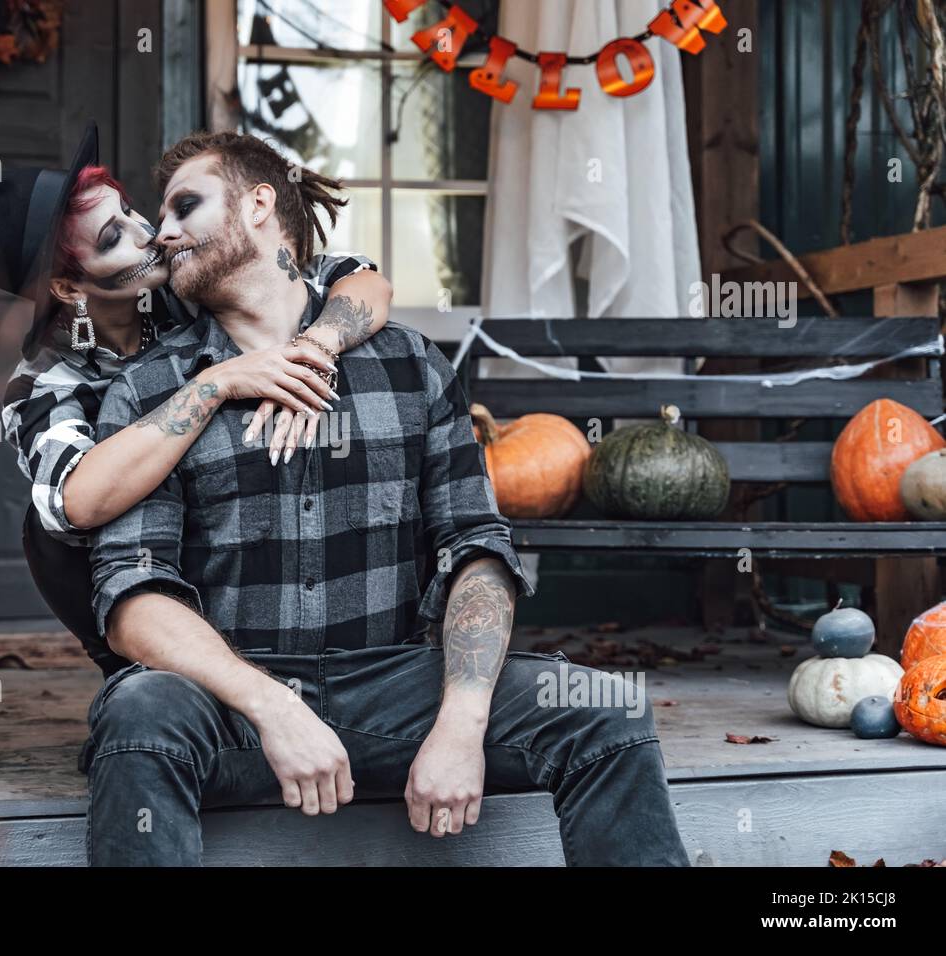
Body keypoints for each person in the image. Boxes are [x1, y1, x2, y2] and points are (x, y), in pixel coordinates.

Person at [84, 131, 691, 867]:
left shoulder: (407, 365)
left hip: (396, 685)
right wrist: (274, 706)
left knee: (605, 710)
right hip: (231, 701)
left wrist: (463, 725)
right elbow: (132, 598)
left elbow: (478, 551)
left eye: (186, 205)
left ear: (258, 206)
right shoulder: (152, 391)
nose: (165, 231)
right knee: (141, 711)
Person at [0, 123, 393, 678]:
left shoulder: (186, 281)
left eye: (128, 211)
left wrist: (315, 344)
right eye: (111, 238)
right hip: (143, 553)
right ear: (70, 289)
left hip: (239, 520)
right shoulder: (48, 380)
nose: (147, 233)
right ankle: (127, 669)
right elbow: (75, 500)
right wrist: (216, 383)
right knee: (42, 531)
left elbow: (359, 279)